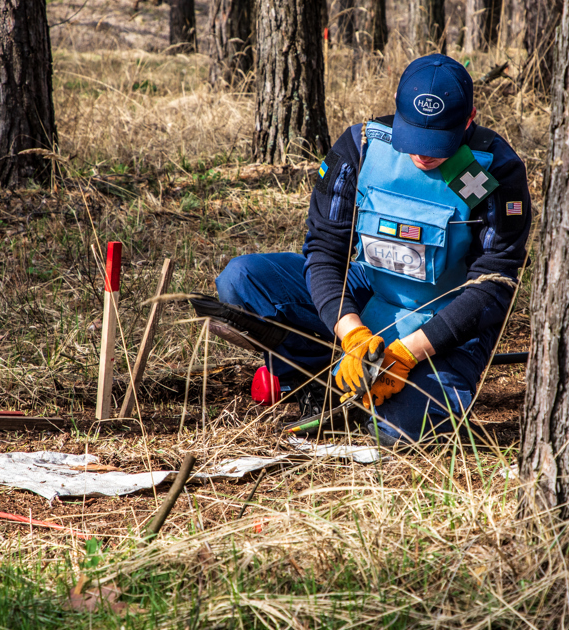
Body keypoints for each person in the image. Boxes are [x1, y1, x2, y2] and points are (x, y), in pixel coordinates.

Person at [197, 54, 531, 446]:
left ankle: (379, 390)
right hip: (368, 285)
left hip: (448, 319)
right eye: (413, 140)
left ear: (469, 119)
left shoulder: (491, 171)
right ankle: (318, 373)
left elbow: (493, 285)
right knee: (242, 280)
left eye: (438, 143)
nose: (423, 155)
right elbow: (324, 251)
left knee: (401, 432)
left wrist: (409, 353)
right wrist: (352, 333)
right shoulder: (362, 146)